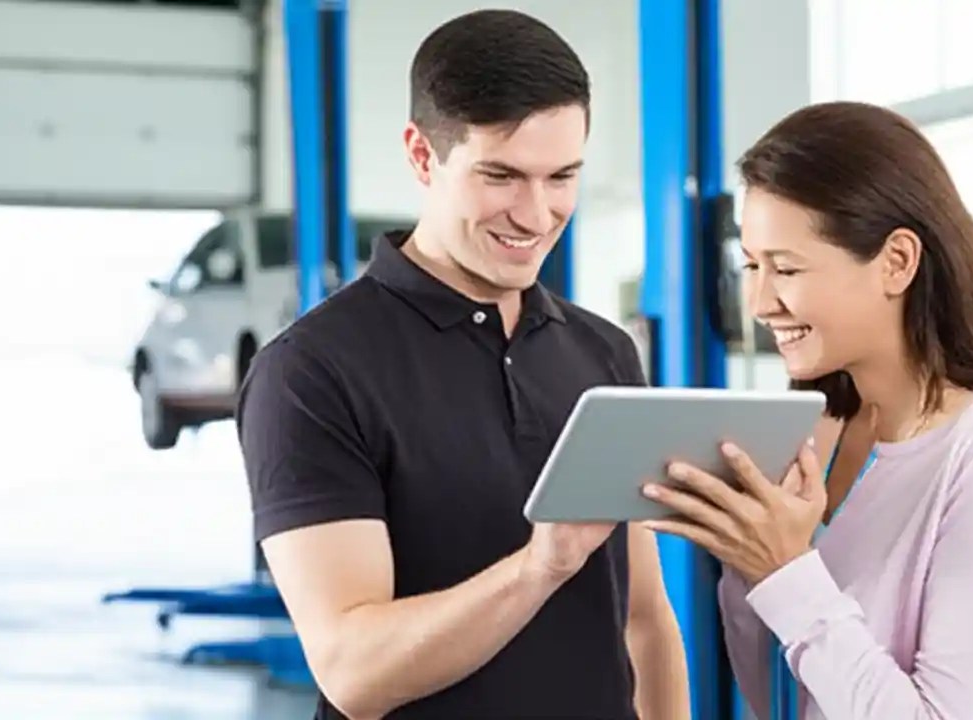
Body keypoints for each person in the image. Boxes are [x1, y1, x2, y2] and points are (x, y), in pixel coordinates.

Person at [236, 10, 689, 720]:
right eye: (501, 176)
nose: (537, 214)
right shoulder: (311, 373)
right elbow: (354, 673)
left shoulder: (603, 353)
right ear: (423, 156)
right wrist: (540, 568)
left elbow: (643, 618)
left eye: (561, 176)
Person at [639, 101, 973, 719]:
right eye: (750, 265)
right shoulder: (814, 434)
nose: (760, 301)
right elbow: (779, 693)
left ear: (897, 262)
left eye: (786, 268)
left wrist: (783, 568)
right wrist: (744, 557)